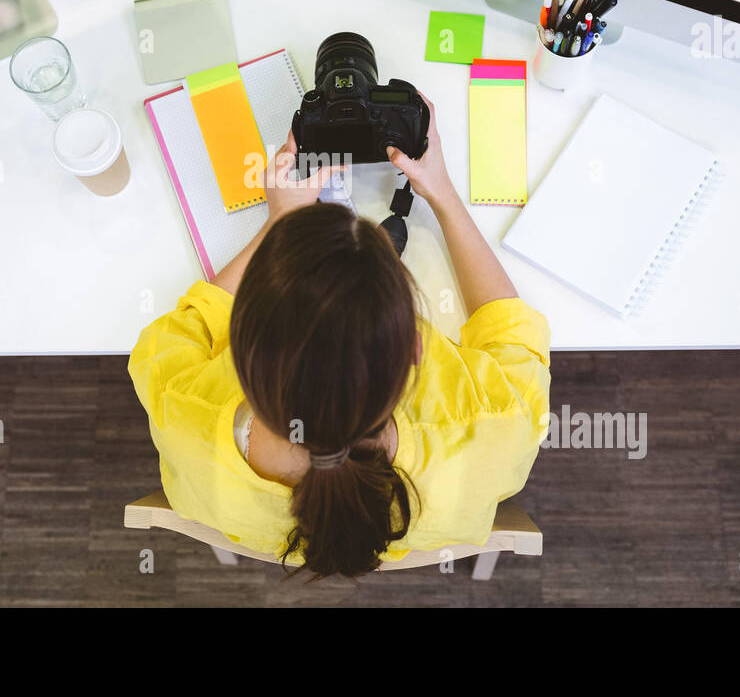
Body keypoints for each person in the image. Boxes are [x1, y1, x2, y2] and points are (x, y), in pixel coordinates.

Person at [128, 98, 550, 578]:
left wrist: (279, 221)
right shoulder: (499, 423)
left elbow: (185, 327)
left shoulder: (178, 405)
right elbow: (510, 327)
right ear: (416, 349)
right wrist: (444, 195)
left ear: (240, 351)